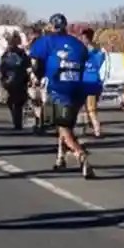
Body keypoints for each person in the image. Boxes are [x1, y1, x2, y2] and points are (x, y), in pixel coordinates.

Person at [30, 13, 92, 176]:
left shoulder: (46, 41)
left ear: (51, 26)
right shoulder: (77, 44)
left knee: (62, 127)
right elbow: (86, 61)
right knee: (65, 124)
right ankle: (60, 158)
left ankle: (80, 155)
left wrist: (38, 77)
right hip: (78, 89)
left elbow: (35, 63)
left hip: (58, 89)